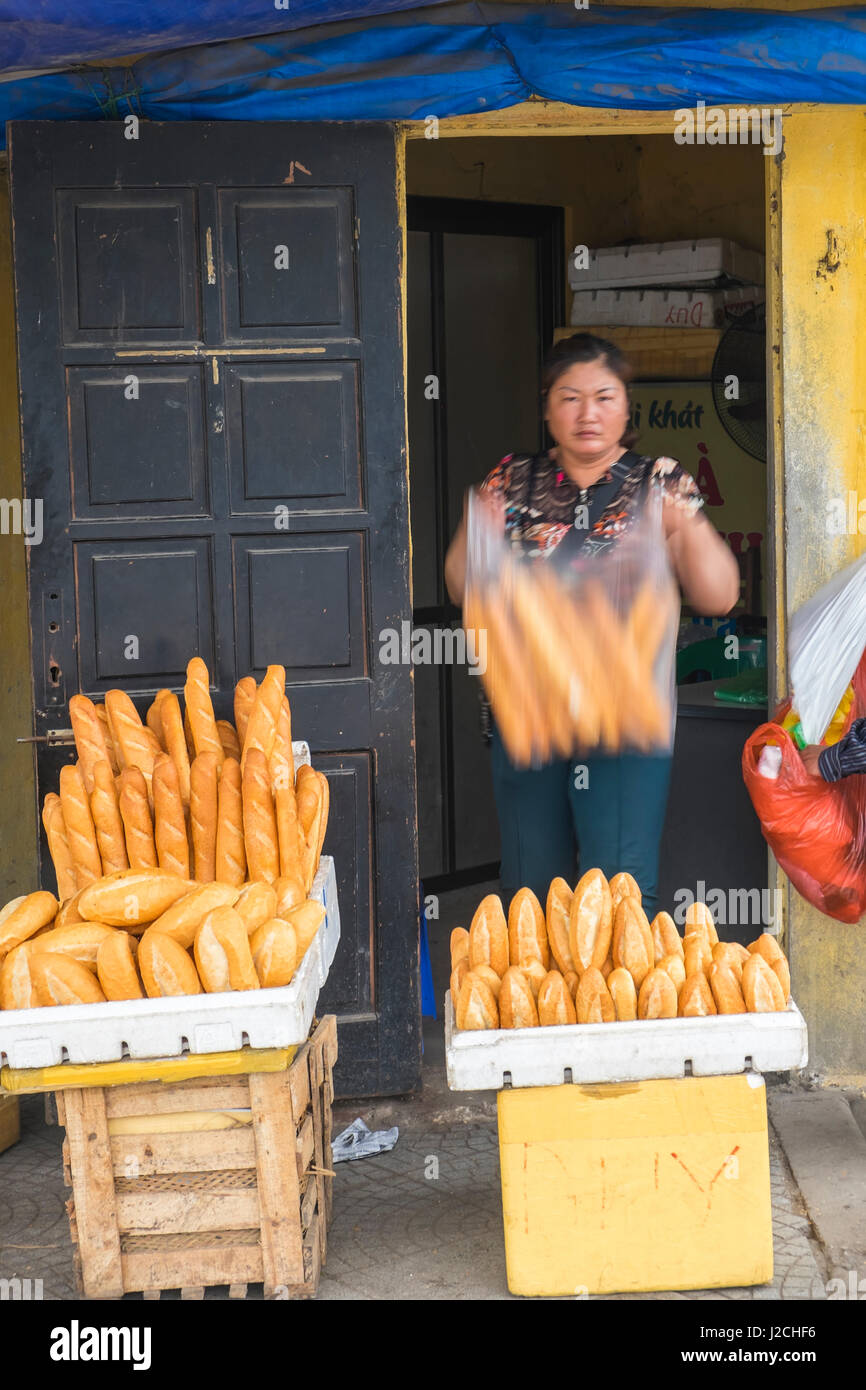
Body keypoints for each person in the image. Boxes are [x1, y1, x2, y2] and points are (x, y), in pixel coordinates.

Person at [444, 332, 740, 915]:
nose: (588, 413)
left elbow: (721, 596)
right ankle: (541, 1008)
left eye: (604, 397)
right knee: (530, 895)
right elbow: (461, 587)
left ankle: (622, 1005)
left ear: (626, 408)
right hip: (529, 719)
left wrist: (689, 529)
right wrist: (475, 534)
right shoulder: (510, 481)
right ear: (547, 408)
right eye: (570, 397)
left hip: (625, 722)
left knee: (622, 898)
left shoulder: (660, 482)